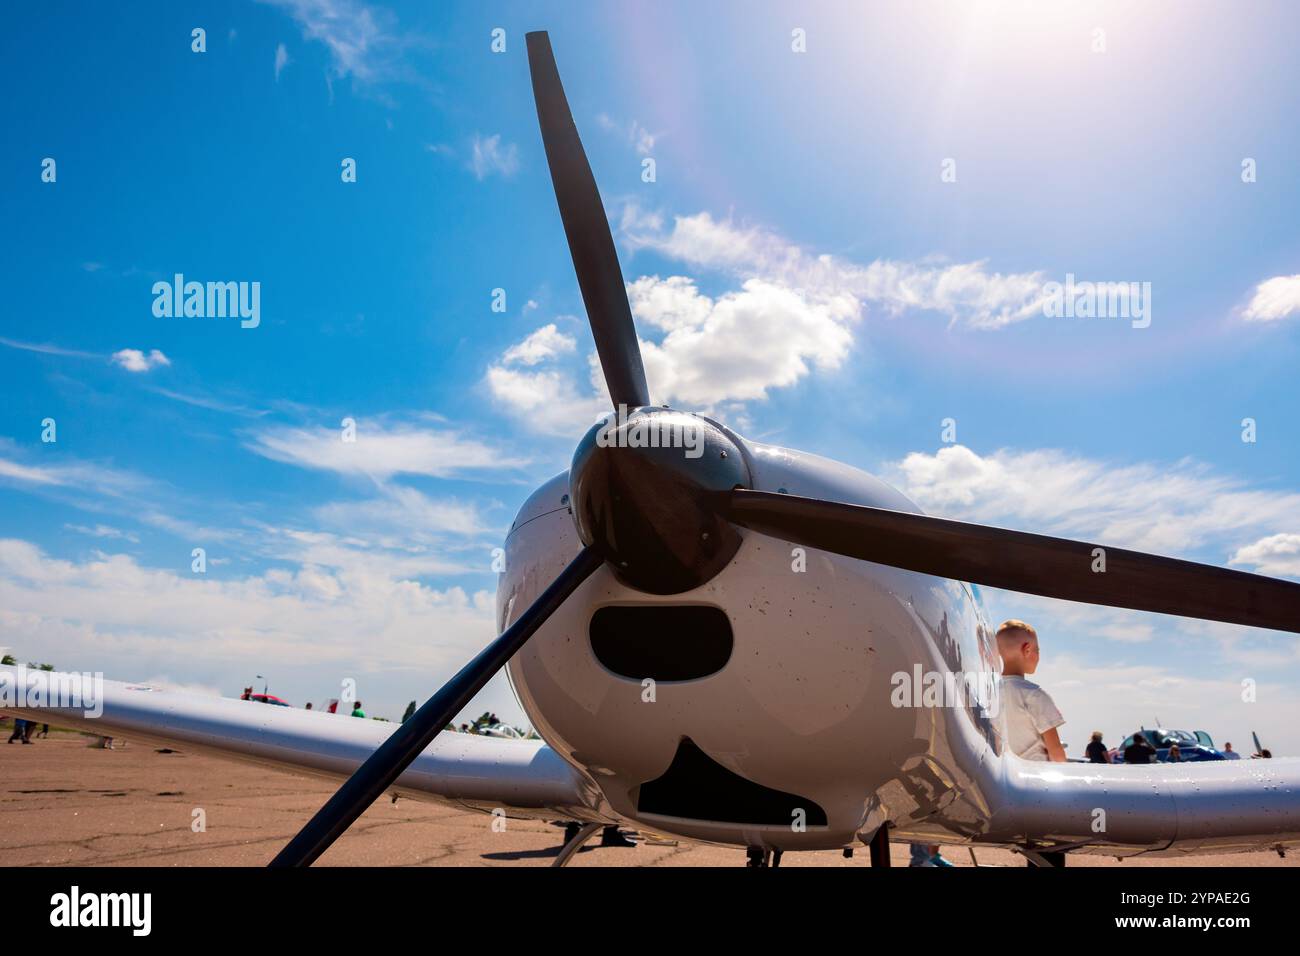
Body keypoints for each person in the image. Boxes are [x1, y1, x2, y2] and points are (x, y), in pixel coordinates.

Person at [995, 619, 1067, 867]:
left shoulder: (987, 694)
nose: (1037, 656)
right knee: (1048, 857)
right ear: (1027, 649)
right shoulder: (1034, 695)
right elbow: (1056, 753)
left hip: (1007, 789)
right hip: (1041, 790)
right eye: (1037, 650)